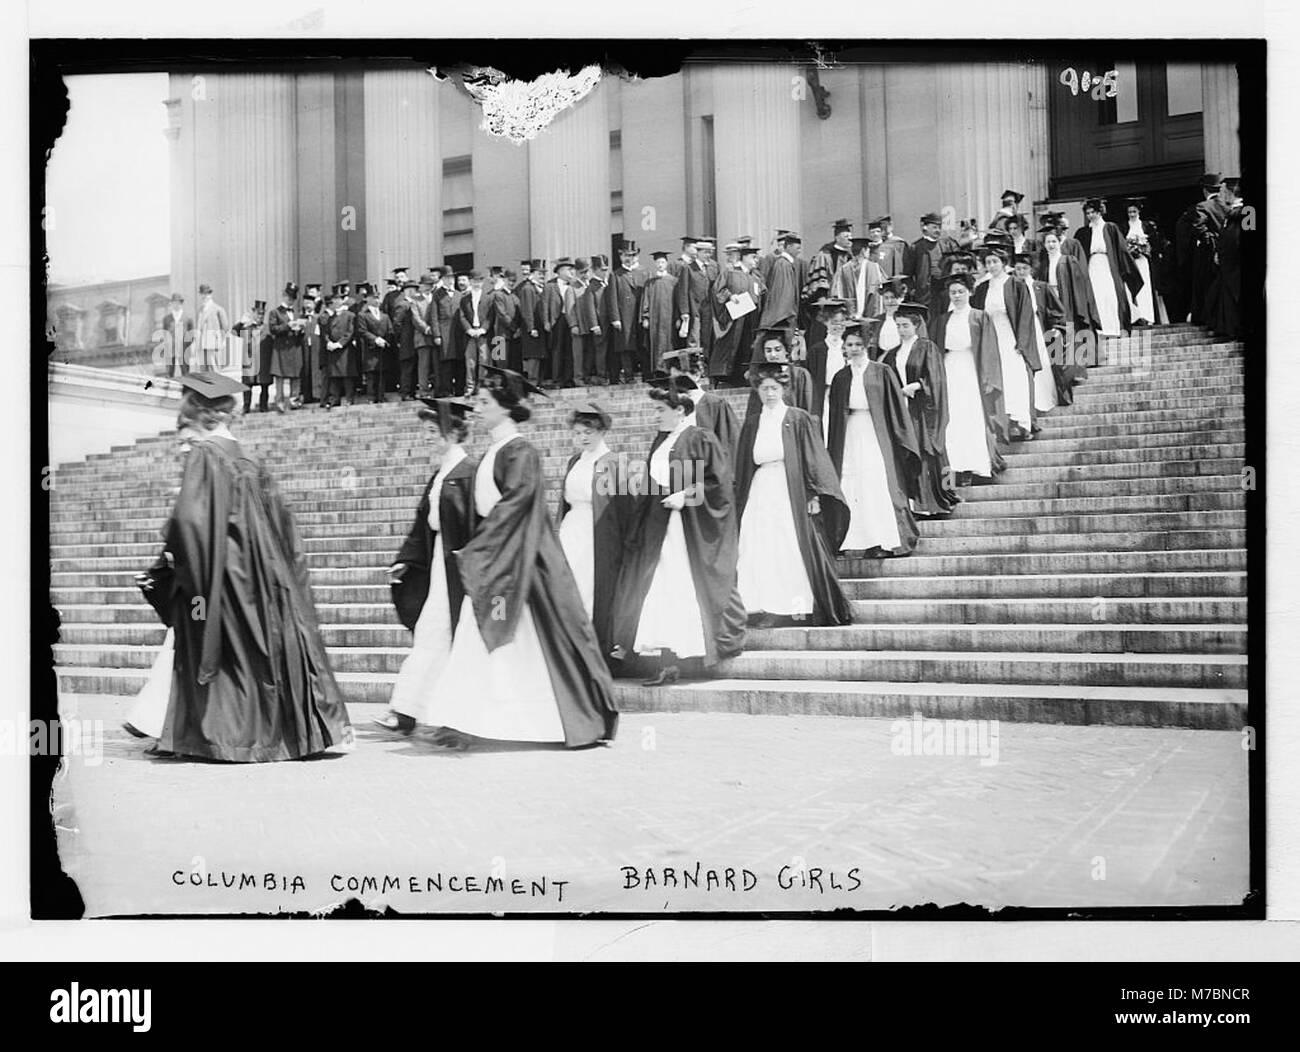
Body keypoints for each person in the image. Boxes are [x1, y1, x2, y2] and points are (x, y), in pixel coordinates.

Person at [134, 371, 352, 761]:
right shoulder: (250, 459)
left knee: (220, 648)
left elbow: (190, 521)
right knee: (257, 653)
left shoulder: (206, 455)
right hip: (265, 575)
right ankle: (272, 737)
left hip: (225, 571)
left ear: (199, 415)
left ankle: (218, 737)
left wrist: (172, 562)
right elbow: (286, 528)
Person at [415, 367, 617, 749]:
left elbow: (516, 506)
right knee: (479, 633)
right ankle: (462, 718)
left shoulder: (519, 450)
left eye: (485, 401)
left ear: (506, 408)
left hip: (519, 562)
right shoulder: (494, 450)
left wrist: (482, 551)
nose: (476, 406)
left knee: (513, 639)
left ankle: (527, 721)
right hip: (497, 555)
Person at [609, 381, 746, 686]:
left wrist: (685, 496)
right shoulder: (662, 441)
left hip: (685, 529)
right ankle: (667, 660)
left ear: (680, 410)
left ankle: (686, 655)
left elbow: (719, 484)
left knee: (681, 587)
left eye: (660, 409)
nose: (655, 415)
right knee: (660, 590)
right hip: (658, 529)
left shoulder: (699, 438)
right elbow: (650, 483)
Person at [376, 397, 478, 734]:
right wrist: (406, 560)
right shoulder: (442, 474)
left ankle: (422, 711)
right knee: (431, 636)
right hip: (436, 567)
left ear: (453, 434)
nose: (426, 437)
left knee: (445, 638)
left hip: (459, 573)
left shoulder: (469, 474)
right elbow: (424, 524)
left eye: (433, 431)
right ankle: (406, 710)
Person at [733, 363, 851, 627]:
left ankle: (790, 606)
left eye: (774, 388)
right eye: (764, 389)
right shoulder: (753, 423)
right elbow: (744, 462)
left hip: (789, 489)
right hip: (761, 488)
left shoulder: (797, 418)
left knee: (787, 545)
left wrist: (813, 494)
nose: (770, 394)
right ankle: (759, 604)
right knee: (758, 545)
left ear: (783, 389)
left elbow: (812, 458)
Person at [824, 325, 921, 557]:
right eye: (849, 345)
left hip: (875, 434)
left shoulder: (882, 371)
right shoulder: (840, 377)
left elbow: (896, 409)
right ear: (844, 348)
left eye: (858, 344)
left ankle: (880, 541)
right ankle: (850, 539)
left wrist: (901, 439)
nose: (854, 349)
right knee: (852, 481)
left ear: (866, 346)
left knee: (875, 480)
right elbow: (835, 416)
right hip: (849, 435)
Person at [557, 402, 631, 659]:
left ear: (602, 431)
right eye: (577, 433)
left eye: (588, 432)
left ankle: (592, 652)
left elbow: (622, 508)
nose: (582, 438)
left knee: (589, 589)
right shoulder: (575, 461)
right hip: (571, 530)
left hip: (597, 534)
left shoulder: (612, 462)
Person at [878, 303, 959, 517]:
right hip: (902, 408)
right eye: (898, 326)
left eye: (905, 325)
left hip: (922, 408)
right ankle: (917, 503)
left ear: (916, 325)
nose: (901, 330)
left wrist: (919, 385)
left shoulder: (927, 347)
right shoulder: (892, 353)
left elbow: (937, 378)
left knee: (928, 452)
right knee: (909, 453)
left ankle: (939, 498)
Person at [930, 272, 1006, 485]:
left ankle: (977, 467)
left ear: (970, 292)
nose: (956, 296)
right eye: (953, 292)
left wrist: (989, 379)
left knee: (971, 417)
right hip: (949, 370)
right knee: (952, 420)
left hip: (972, 370)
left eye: (960, 292)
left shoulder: (979, 316)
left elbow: (990, 349)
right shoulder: (943, 320)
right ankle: (954, 471)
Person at [970, 246, 1039, 439]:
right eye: (988, 262)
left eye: (995, 262)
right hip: (990, 341)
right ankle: (1002, 423)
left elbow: (1026, 315)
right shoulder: (982, 288)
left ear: (1004, 263)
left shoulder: (1015, 284)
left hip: (1010, 338)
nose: (991, 266)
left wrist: (1022, 343)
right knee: (995, 379)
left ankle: (1020, 423)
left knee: (1014, 379)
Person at [1075, 198, 1143, 337]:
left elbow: (1121, 249)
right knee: (1095, 295)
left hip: (1107, 264)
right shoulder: (1084, 232)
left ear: (1100, 212)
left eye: (1093, 212)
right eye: (1088, 213)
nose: (1090, 216)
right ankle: (1100, 328)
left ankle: (1114, 327)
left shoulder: (1110, 228)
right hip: (1093, 265)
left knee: (1110, 294)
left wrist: (1127, 270)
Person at [663, 348, 742, 465]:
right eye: (673, 379)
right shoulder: (672, 405)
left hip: (708, 473)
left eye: (682, 378)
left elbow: (729, 444)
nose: (677, 384)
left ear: (697, 374)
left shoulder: (715, 404)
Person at [709, 241, 765, 386]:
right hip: (734, 318)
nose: (756, 260)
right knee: (731, 345)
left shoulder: (756, 278)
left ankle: (743, 376)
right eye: (753, 257)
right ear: (744, 258)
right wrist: (729, 296)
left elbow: (762, 295)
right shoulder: (730, 273)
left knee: (747, 346)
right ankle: (723, 375)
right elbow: (717, 290)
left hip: (751, 319)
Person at [745, 328, 816, 419]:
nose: (773, 355)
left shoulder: (800, 375)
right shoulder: (761, 378)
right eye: (768, 351)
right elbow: (753, 414)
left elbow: (808, 410)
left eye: (777, 349)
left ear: (786, 351)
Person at [1121, 198, 1167, 326]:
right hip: (1131, 262)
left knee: (1145, 288)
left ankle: (1147, 316)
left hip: (1143, 261)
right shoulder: (1124, 227)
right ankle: (1135, 316)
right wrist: (1130, 250)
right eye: (1129, 212)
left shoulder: (1146, 226)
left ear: (1139, 212)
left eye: (1134, 212)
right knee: (1131, 288)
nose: (1132, 214)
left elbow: (1155, 244)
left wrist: (1144, 249)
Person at [1210, 177, 1245, 340]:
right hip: (1227, 262)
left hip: (1238, 262)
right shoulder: (1230, 212)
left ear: (1231, 192)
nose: (1221, 194)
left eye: (1223, 191)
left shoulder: (1248, 210)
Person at [607, 242, 646, 382]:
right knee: (625, 346)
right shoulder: (616, 275)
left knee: (642, 344)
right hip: (624, 316)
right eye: (625, 255)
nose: (628, 258)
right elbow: (612, 298)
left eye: (631, 255)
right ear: (621, 256)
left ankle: (646, 375)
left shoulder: (643, 272)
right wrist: (615, 318)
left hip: (639, 314)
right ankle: (628, 375)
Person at [909, 213, 962, 316]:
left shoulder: (947, 244)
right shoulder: (916, 247)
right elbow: (908, 272)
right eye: (934, 227)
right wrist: (913, 290)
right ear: (925, 228)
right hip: (925, 294)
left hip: (944, 292)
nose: (938, 230)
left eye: (939, 227)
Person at [267, 282, 306, 413]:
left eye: (293, 298)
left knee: (296, 375)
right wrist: (288, 325)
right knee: (280, 376)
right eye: (289, 297)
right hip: (281, 349)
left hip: (294, 348)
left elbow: (301, 331)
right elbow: (273, 329)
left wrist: (300, 329)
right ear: (283, 296)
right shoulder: (275, 312)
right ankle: (279, 401)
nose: (290, 300)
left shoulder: (297, 312)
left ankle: (294, 400)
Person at [356, 282, 396, 404]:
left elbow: (390, 330)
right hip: (371, 348)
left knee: (382, 373)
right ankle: (371, 397)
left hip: (383, 348)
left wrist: (387, 340)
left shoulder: (384, 316)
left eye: (378, 297)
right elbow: (362, 331)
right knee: (371, 374)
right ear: (367, 299)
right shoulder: (363, 315)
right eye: (374, 297)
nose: (377, 299)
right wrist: (375, 339)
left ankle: (381, 395)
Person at [542, 257, 577, 389]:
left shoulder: (574, 284)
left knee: (570, 350)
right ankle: (557, 378)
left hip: (571, 319)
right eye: (569, 269)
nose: (572, 272)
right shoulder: (550, 285)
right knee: (557, 349)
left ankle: (568, 378)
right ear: (560, 271)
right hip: (557, 320)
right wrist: (546, 321)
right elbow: (545, 305)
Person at [640, 251, 679, 367]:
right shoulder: (650, 283)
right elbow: (645, 300)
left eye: (662, 262)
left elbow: (678, 302)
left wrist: (678, 318)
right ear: (655, 264)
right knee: (656, 343)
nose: (660, 264)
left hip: (669, 319)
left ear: (666, 263)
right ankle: (657, 369)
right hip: (655, 319)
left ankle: (668, 368)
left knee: (670, 342)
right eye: (658, 262)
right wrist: (645, 317)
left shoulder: (674, 281)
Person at [321, 284, 357, 409]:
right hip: (333, 349)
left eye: (338, 299)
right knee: (334, 376)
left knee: (347, 375)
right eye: (334, 300)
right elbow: (325, 333)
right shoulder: (329, 318)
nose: (336, 302)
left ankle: (349, 398)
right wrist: (328, 343)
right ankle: (335, 399)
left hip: (345, 350)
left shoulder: (350, 315)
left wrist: (339, 344)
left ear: (342, 300)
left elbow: (350, 332)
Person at [832, 236, 885, 322]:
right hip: (870, 317)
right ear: (863, 251)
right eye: (868, 250)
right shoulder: (873, 267)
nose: (869, 253)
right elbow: (877, 293)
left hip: (850, 318)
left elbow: (837, 293)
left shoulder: (843, 269)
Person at [457, 270, 493, 393]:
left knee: (484, 360)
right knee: (470, 361)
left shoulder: (488, 298)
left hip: (483, 333)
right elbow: (462, 316)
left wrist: (484, 328)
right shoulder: (464, 299)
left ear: (482, 282)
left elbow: (490, 316)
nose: (477, 283)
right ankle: (470, 387)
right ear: (470, 282)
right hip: (470, 334)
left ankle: (482, 386)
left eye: (479, 281)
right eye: (474, 281)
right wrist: (469, 329)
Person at [515, 261, 548, 385]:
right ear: (532, 274)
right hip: (533, 328)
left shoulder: (540, 287)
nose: (542, 276)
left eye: (543, 273)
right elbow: (527, 310)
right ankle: (532, 383)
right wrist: (531, 327)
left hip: (540, 327)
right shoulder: (527, 289)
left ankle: (539, 382)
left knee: (540, 355)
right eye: (539, 273)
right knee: (533, 356)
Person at [408, 273, 438, 398]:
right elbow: (416, 318)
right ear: (421, 286)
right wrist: (426, 329)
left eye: (430, 285)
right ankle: (424, 391)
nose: (429, 287)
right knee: (424, 366)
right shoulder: (415, 300)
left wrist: (436, 331)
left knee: (436, 365)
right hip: (422, 337)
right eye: (426, 285)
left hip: (436, 336)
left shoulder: (435, 297)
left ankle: (438, 390)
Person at [236, 300, 269, 414]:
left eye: (262, 314)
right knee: (247, 384)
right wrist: (241, 322)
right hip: (249, 360)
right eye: (258, 313)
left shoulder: (267, 328)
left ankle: (263, 406)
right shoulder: (246, 327)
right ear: (253, 313)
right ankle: (246, 406)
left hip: (263, 361)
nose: (260, 316)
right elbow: (234, 331)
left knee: (264, 384)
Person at [194, 284, 230, 372]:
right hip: (201, 344)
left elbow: (225, 327)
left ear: (211, 295)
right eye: (202, 294)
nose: (204, 296)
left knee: (214, 369)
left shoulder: (218, 309)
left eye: (206, 294)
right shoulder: (200, 310)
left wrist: (221, 341)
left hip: (213, 344)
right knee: (203, 371)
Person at [159, 293, 193, 378]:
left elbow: (191, 335)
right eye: (174, 303)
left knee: (186, 373)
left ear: (181, 303)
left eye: (178, 303)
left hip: (184, 350)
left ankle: (187, 390)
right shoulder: (166, 319)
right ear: (171, 304)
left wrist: (186, 346)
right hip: (170, 350)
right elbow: (164, 334)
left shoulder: (188, 318)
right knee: (169, 374)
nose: (176, 305)